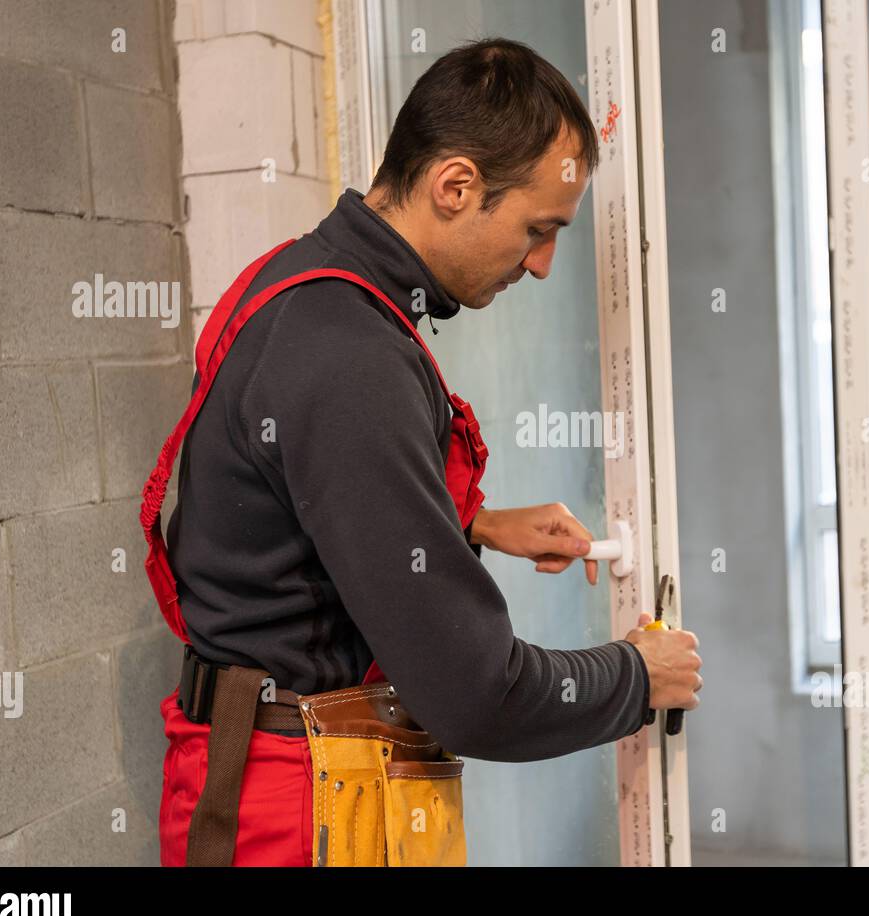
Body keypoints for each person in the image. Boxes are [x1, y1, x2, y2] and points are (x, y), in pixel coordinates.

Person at [150, 36, 702, 866]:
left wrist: (469, 525)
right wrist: (637, 675)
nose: (544, 265)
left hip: (286, 763)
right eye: (538, 229)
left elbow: (292, 499)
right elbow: (475, 696)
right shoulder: (348, 354)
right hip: (296, 805)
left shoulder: (306, 285)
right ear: (455, 186)